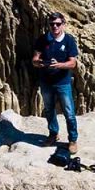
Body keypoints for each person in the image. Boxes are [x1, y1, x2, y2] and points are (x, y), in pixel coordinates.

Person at [31, 12, 80, 153]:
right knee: (49, 109)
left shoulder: (69, 40)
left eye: (58, 24)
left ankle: (72, 140)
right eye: (52, 24)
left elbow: (72, 64)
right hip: (46, 82)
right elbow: (34, 59)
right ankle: (53, 134)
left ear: (63, 25)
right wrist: (39, 63)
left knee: (69, 112)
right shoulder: (42, 40)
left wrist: (58, 65)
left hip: (63, 82)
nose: (55, 27)